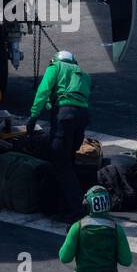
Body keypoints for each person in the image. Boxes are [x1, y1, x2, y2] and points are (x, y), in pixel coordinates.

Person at [27, 50, 92, 218]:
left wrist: (34, 116)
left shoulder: (55, 67)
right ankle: (61, 204)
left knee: (61, 162)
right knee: (67, 160)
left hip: (64, 117)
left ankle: (78, 208)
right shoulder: (83, 75)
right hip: (81, 118)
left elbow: (44, 91)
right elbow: (74, 99)